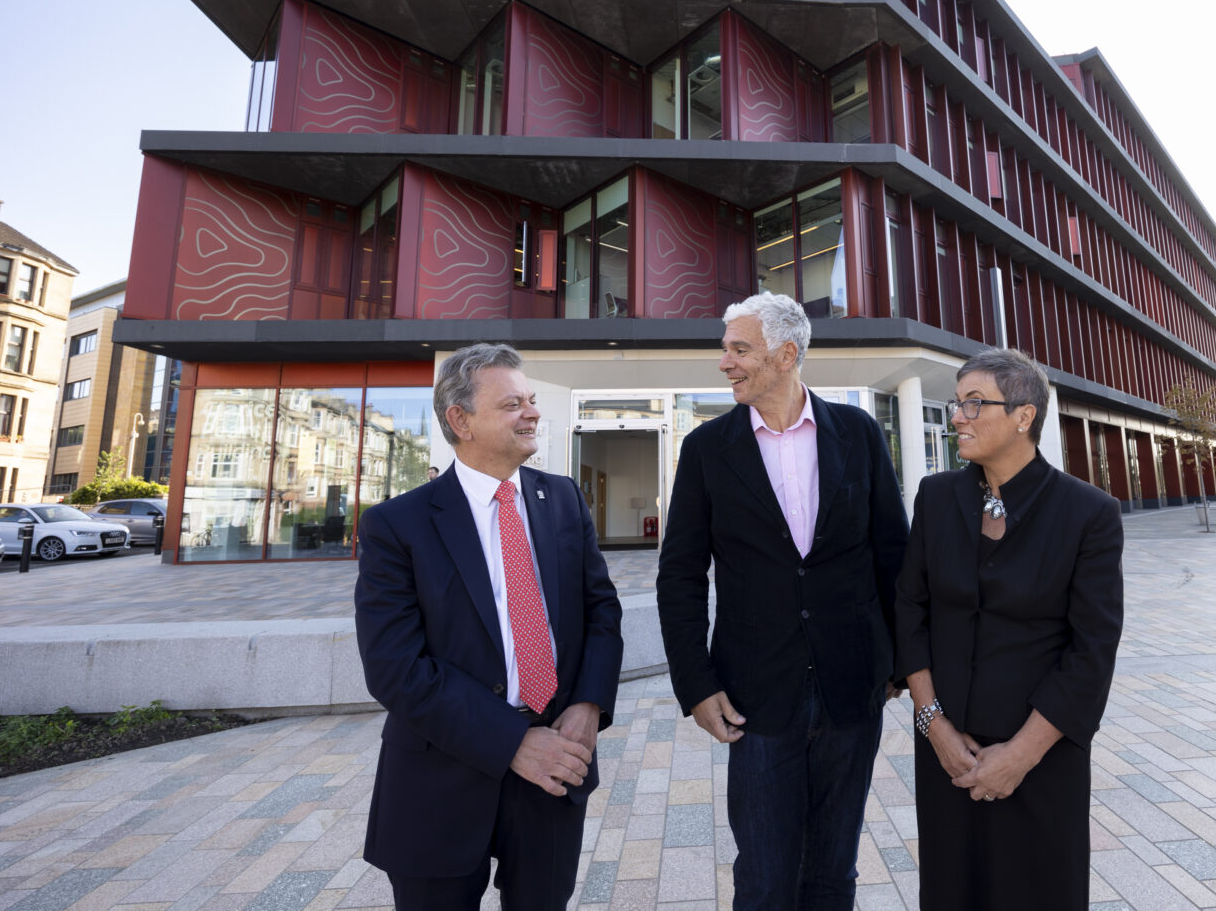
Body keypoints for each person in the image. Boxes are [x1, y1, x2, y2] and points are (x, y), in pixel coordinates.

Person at [657, 292, 908, 910]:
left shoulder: (858, 432)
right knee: (766, 879)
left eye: (739, 349)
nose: (725, 362)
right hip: (756, 696)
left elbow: (893, 555)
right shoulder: (706, 448)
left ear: (786, 354)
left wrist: (899, 663)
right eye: (726, 350)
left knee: (833, 873)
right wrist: (696, 684)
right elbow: (680, 575)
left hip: (852, 688)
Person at [354, 343, 623, 910]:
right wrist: (513, 742)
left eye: (531, 400)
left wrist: (588, 706)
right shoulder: (396, 525)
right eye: (512, 404)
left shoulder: (564, 499)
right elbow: (395, 668)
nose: (532, 412)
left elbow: (601, 611)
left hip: (555, 769)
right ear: (461, 420)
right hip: (440, 778)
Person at [895, 348, 1123, 910]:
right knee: (951, 893)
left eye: (975, 403)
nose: (957, 416)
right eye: (957, 403)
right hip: (947, 754)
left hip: (1041, 760)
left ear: (1024, 416)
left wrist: (1019, 755)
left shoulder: (1088, 513)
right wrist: (933, 725)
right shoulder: (936, 497)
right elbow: (909, 609)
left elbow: (1091, 651)